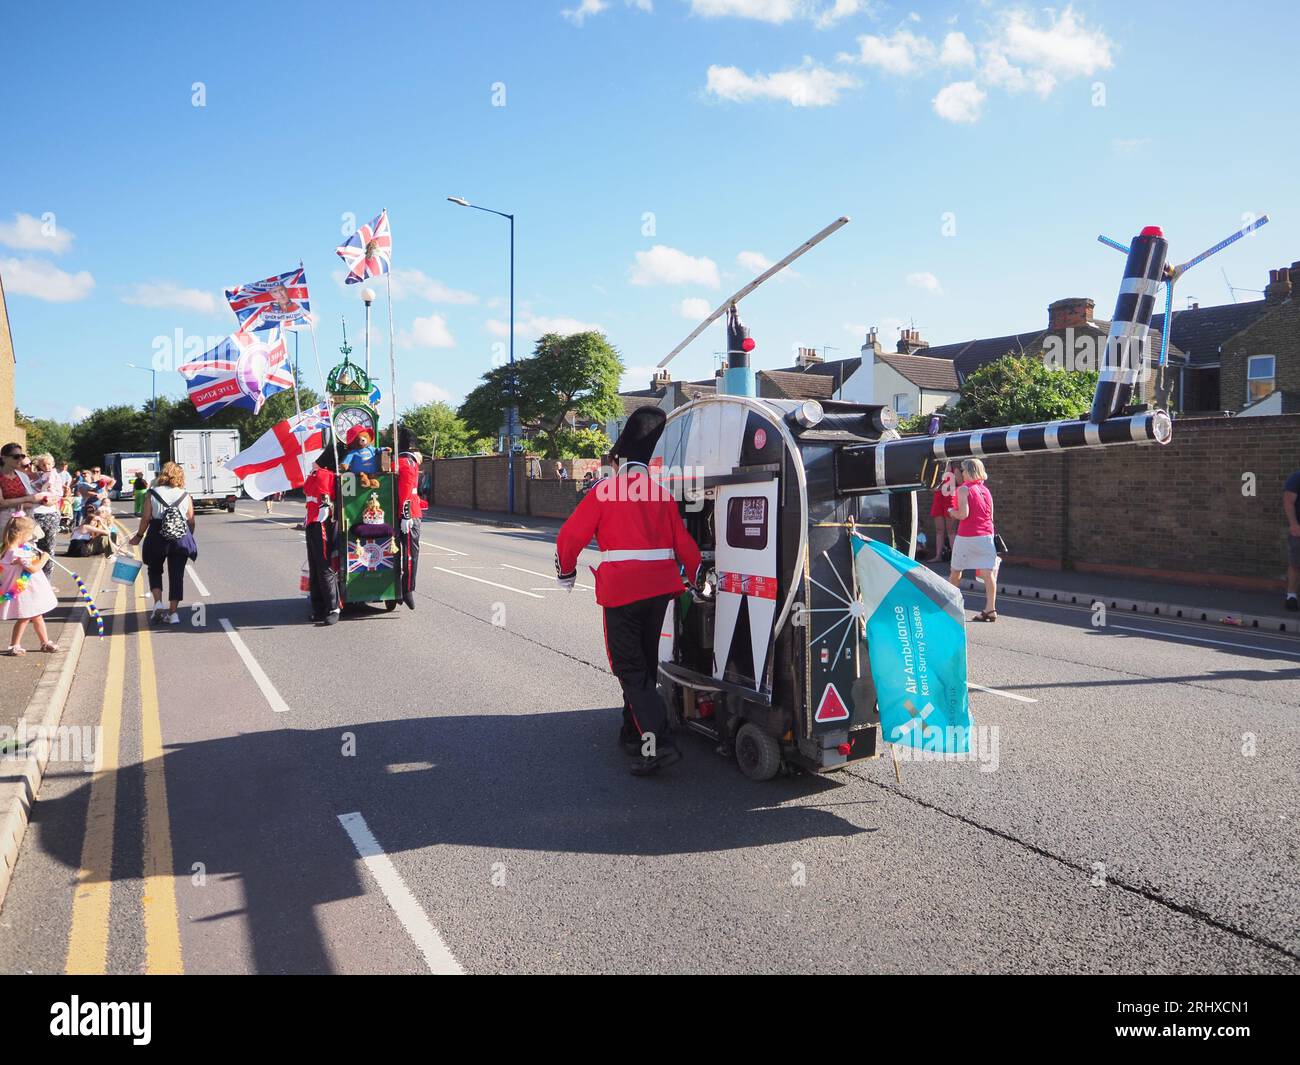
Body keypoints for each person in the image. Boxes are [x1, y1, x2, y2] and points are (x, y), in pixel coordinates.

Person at [555, 407, 702, 776]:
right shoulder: (662, 493)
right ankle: (632, 732)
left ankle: (658, 745)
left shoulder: (605, 491)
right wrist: (698, 577)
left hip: (622, 591)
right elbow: (687, 549)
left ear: (618, 459)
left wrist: (567, 572)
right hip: (659, 592)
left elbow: (570, 537)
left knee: (630, 669)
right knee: (645, 665)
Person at [129, 461, 196, 625]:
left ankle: (158, 603)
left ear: (163, 475)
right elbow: (191, 520)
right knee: (177, 575)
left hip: (157, 535)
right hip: (180, 537)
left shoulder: (152, 493)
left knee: (154, 570)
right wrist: (188, 536)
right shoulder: (185, 494)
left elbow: (146, 518)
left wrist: (138, 535)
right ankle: (173, 614)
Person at [946, 457, 999, 622]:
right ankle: (990, 609)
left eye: (963, 470)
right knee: (988, 574)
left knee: (956, 572)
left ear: (968, 471)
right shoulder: (986, 491)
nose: (961, 473)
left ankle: (951, 607)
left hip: (967, 536)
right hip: (986, 536)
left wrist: (951, 511)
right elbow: (990, 516)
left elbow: (963, 514)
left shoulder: (963, 489)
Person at [1, 516, 61, 655]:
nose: (31, 537)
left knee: (37, 616)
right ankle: (14, 645)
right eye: (29, 534)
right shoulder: (18, 553)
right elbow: (34, 568)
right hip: (25, 591)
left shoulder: (8, 549)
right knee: (24, 618)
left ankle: (45, 642)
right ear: (20, 534)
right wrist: (45, 558)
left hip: (30, 589)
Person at [303, 451, 340, 625]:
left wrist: (323, 509)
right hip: (311, 521)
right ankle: (319, 607)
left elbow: (324, 497)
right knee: (315, 567)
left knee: (324, 566)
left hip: (321, 523)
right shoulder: (315, 474)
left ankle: (333, 607)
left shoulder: (324, 474)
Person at [396, 429, 426, 610]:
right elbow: (407, 489)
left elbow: (407, 489)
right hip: (409, 513)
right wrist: (406, 513)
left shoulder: (403, 461)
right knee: (410, 554)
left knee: (404, 554)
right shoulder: (409, 462)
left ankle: (404, 589)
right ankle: (405, 589)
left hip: (406, 512)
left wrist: (405, 512)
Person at [1, 443, 55, 527]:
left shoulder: (22, 476)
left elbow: (30, 503)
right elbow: (1, 503)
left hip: (23, 522)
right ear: (4, 458)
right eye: (16, 456)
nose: (20, 459)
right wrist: (30, 499)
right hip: (4, 523)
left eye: (21, 456)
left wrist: (44, 500)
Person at [28, 453, 61, 576]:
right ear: (39, 466)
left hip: (50, 514)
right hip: (34, 515)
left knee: (48, 548)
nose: (47, 466)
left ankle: (47, 579)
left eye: (49, 464)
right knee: (33, 547)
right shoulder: (37, 476)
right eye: (43, 464)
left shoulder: (54, 475)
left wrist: (47, 497)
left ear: (53, 464)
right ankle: (34, 578)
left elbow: (57, 494)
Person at [928, 462, 956, 562]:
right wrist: (937, 488)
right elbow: (930, 486)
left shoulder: (954, 469)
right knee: (939, 530)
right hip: (938, 501)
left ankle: (954, 558)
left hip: (950, 501)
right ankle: (938, 556)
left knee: (951, 530)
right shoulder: (936, 468)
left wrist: (949, 488)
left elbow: (961, 484)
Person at [1285, 469, 1300, 612]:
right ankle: (1291, 596)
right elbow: (1289, 501)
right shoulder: (1297, 477)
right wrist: (1294, 524)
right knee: (1296, 564)